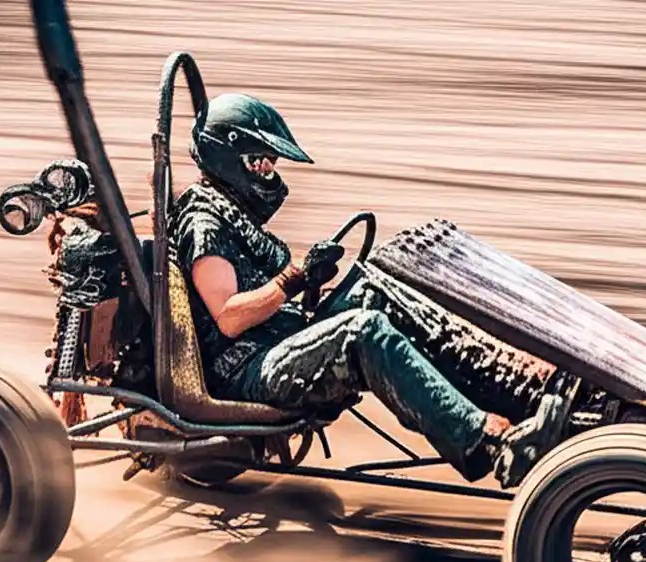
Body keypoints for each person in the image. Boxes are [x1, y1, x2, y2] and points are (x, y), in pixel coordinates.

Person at [170, 92, 570, 488]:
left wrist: (311, 281)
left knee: (374, 290)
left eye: (271, 161)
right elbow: (229, 317)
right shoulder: (205, 221)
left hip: (277, 340)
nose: (270, 170)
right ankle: (487, 443)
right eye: (260, 160)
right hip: (246, 370)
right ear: (229, 156)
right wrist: (295, 277)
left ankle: (521, 392)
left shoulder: (229, 211)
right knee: (362, 332)